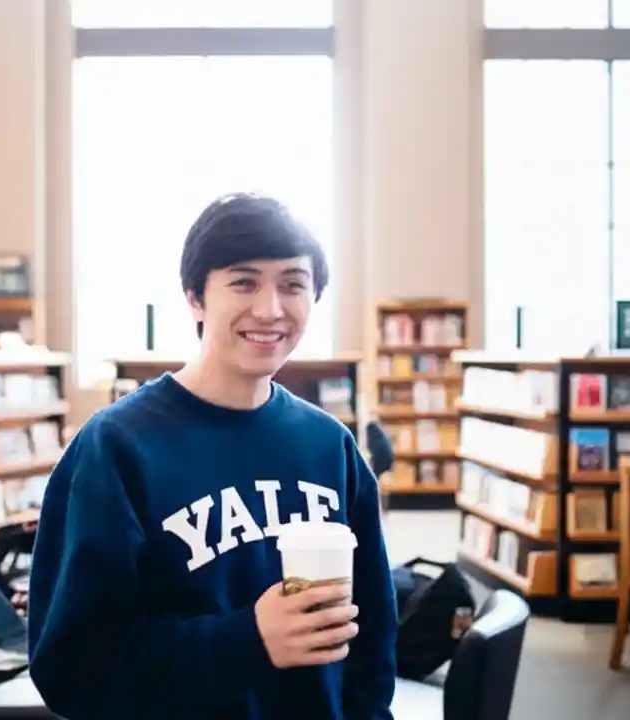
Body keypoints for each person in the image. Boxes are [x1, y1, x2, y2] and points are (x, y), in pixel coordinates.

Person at [26, 194, 397, 719]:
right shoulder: (116, 449)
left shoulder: (329, 446)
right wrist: (247, 640)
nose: (270, 309)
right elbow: (72, 667)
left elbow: (373, 640)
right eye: (244, 282)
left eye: (293, 284)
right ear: (195, 298)